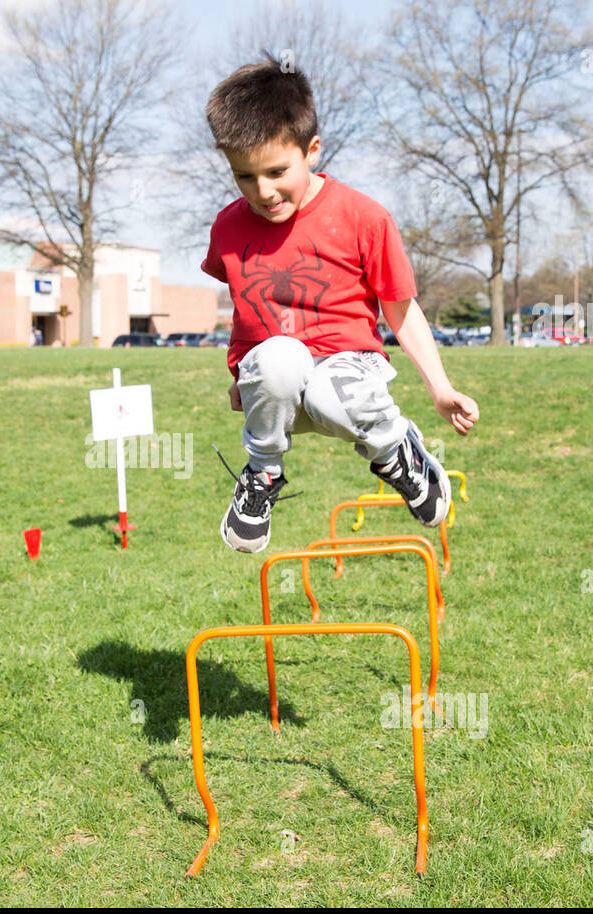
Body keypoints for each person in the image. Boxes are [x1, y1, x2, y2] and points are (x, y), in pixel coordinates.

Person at [201, 59, 479, 553]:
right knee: (280, 357)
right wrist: (241, 378)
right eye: (244, 176)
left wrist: (440, 388)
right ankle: (261, 474)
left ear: (312, 150)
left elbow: (400, 309)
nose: (262, 192)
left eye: (277, 172)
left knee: (330, 391)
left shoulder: (363, 218)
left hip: (350, 378)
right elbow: (246, 306)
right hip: (279, 386)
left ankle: (399, 451)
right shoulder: (228, 228)